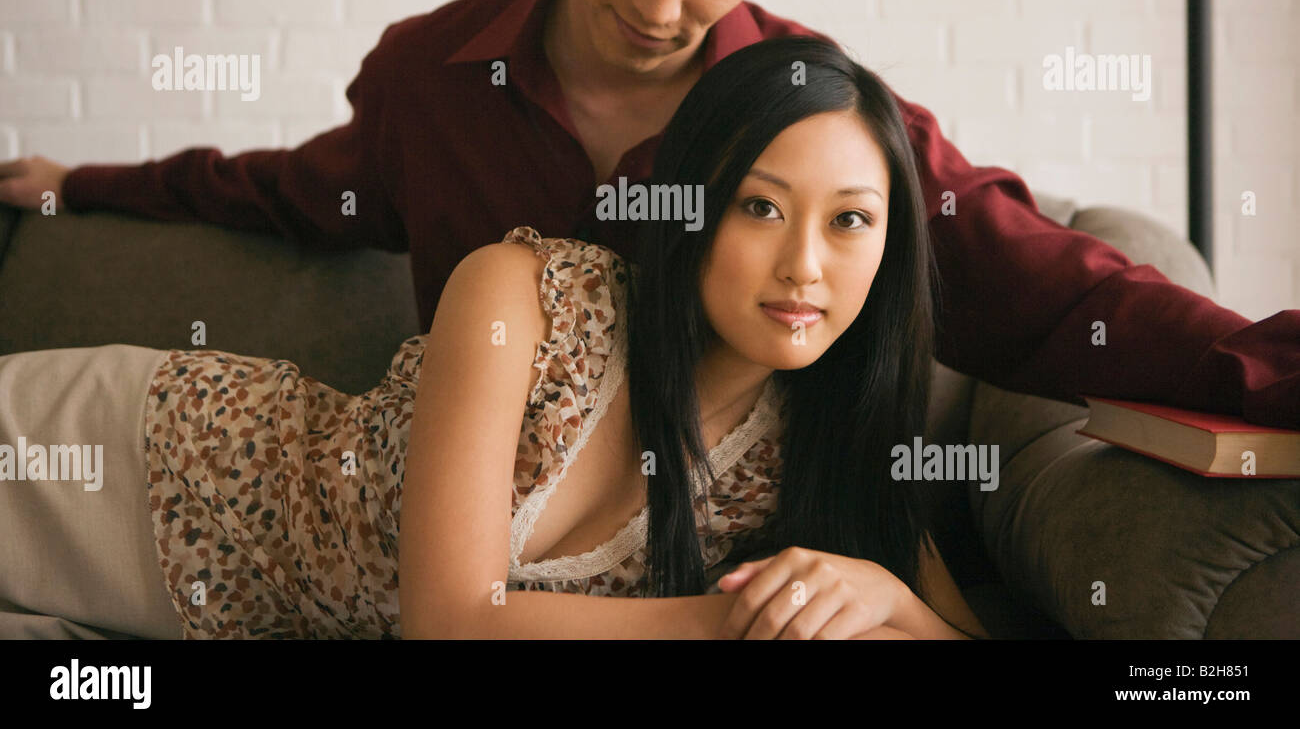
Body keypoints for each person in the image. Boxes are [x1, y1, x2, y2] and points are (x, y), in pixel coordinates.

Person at [0, 0, 1294, 438]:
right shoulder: (429, 74)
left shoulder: (814, 110)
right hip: (474, 515)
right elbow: (291, 188)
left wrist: (1275, 369)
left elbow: (1052, 284)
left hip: (717, 540)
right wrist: (82, 185)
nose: (662, 2)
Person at [0, 36, 988, 639]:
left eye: (850, 220)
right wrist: (730, 620)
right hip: (121, 461)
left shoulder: (826, 453)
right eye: (761, 208)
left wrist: (883, 597)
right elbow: (452, 619)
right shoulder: (526, 294)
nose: (805, 267)